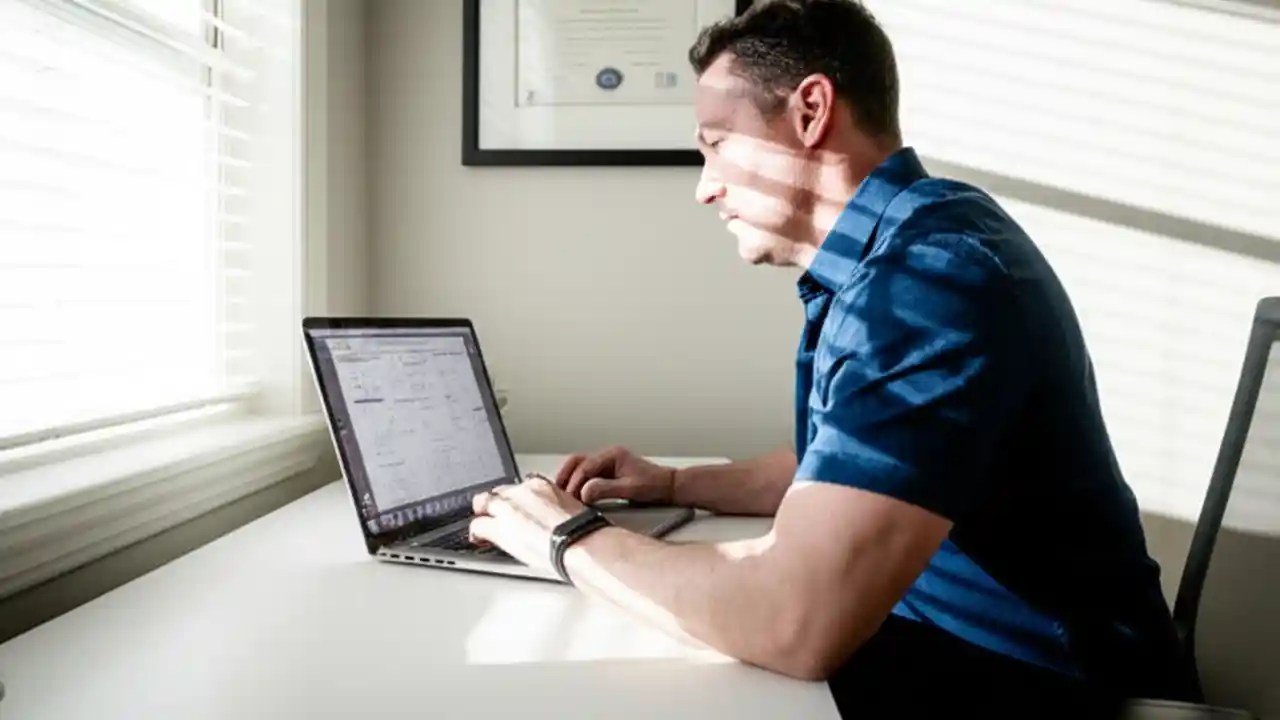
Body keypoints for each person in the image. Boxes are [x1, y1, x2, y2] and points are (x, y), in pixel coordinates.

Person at [468, 1, 1196, 715]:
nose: (704, 186)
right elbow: (847, 466)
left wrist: (564, 539)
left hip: (1050, 685)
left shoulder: (930, 283)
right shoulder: (918, 239)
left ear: (811, 110)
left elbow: (798, 623)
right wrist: (674, 481)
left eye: (716, 143)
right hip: (960, 649)